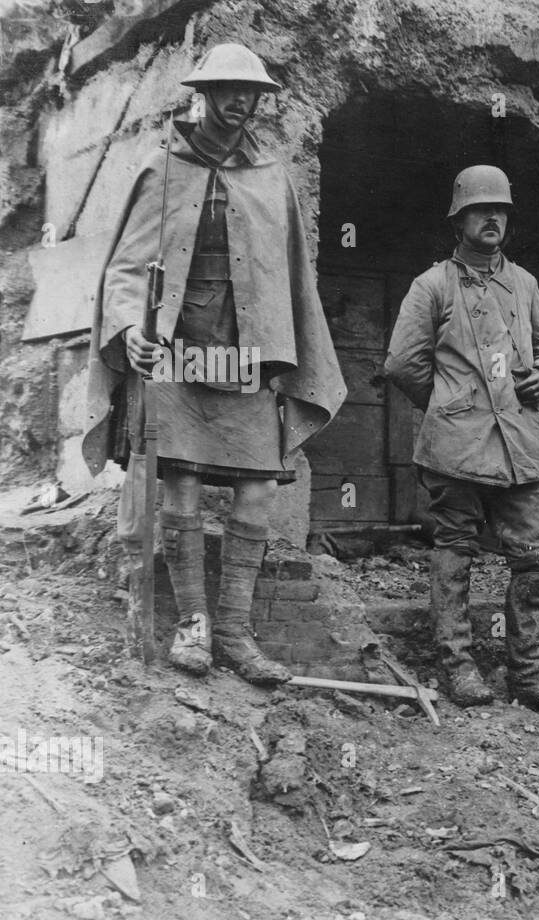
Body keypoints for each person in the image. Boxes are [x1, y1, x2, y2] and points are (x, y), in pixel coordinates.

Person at [83, 42, 346, 684]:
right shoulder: (162, 168)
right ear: (203, 93)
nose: (239, 101)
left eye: (250, 92)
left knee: (257, 488)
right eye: (227, 88)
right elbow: (125, 268)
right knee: (183, 482)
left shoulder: (271, 175)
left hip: (246, 351)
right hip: (175, 349)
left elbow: (291, 279)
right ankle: (194, 629)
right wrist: (128, 331)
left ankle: (235, 632)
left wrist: (289, 357)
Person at [385, 165, 539, 711]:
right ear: (459, 217)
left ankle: (530, 675)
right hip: (457, 448)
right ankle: (458, 667)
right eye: (480, 209)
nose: (493, 217)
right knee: (455, 551)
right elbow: (402, 363)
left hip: (520, 444)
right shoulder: (433, 284)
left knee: (533, 559)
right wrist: (450, 404)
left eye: (501, 210)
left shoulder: (525, 283)